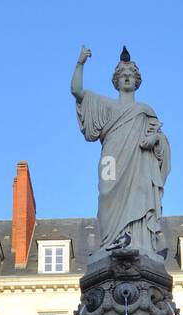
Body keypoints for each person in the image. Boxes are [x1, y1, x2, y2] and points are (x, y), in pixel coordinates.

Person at [71, 45, 171, 258]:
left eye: (130, 75)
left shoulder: (145, 111)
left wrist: (154, 139)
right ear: (116, 81)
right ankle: (109, 241)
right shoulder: (105, 104)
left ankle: (138, 241)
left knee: (139, 195)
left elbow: (161, 140)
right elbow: (77, 91)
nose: (127, 78)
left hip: (138, 165)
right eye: (123, 75)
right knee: (106, 196)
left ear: (137, 81)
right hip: (111, 160)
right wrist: (80, 63)